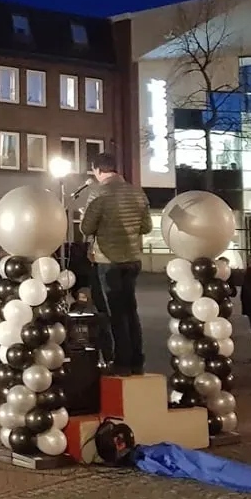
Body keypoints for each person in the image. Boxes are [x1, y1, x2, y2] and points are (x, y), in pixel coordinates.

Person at [79, 153, 152, 376]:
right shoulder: (137, 192)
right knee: (130, 310)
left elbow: (86, 228)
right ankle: (137, 359)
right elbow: (147, 227)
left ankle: (121, 362)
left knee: (115, 313)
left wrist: (85, 216)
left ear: (97, 170)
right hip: (132, 259)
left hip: (108, 260)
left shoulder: (99, 194)